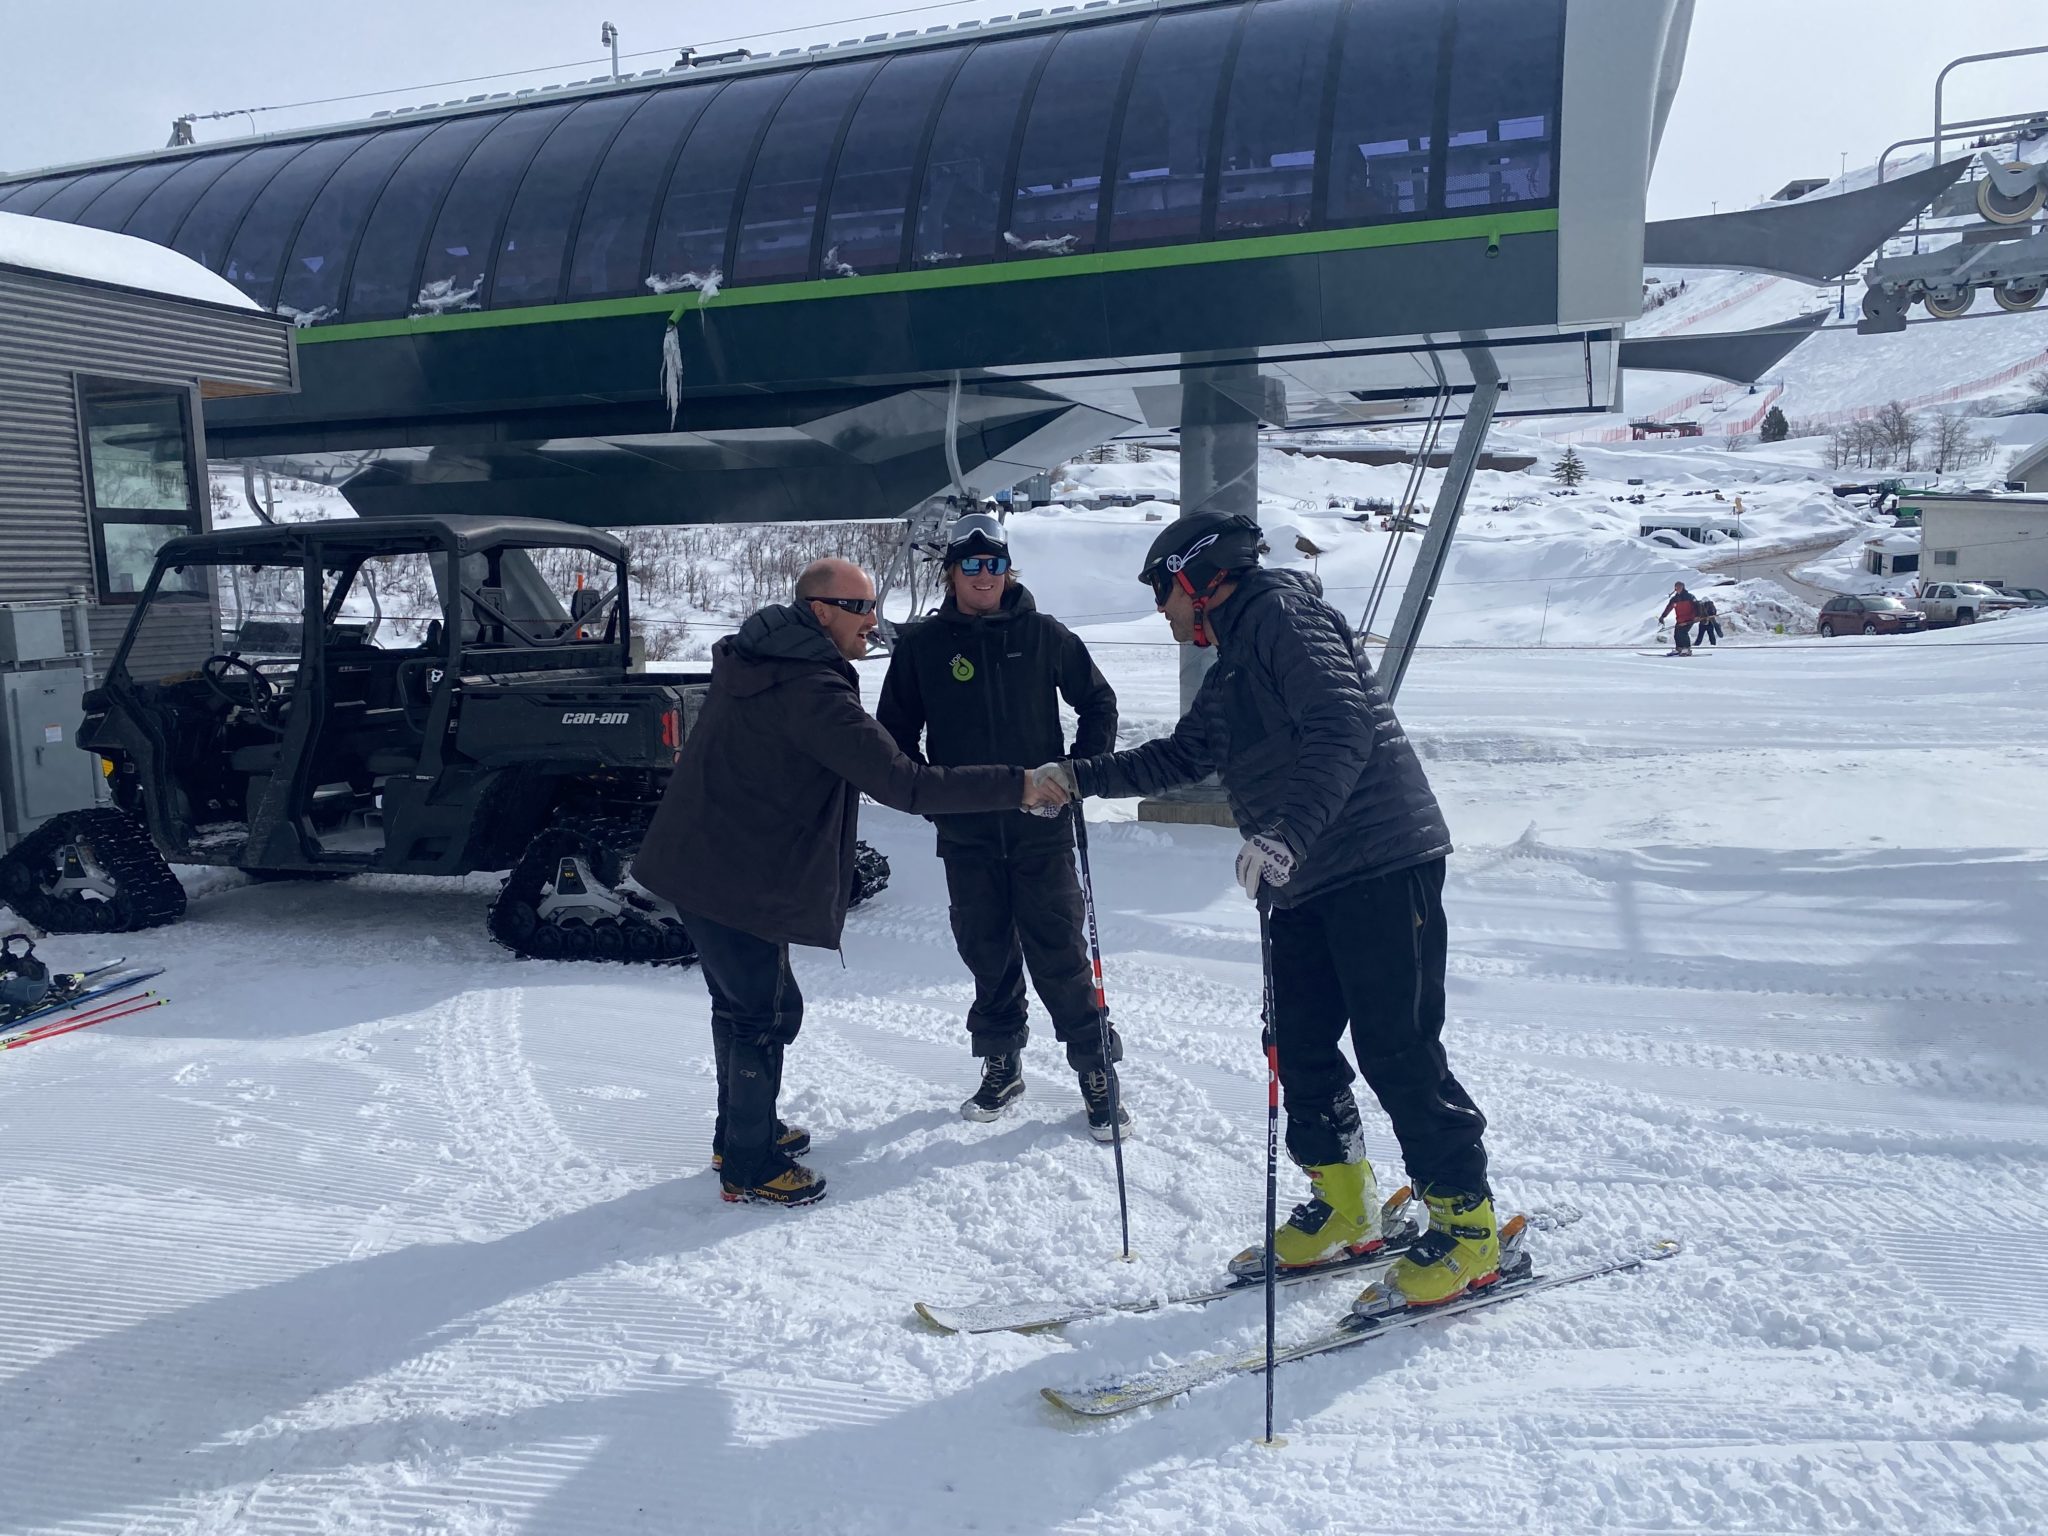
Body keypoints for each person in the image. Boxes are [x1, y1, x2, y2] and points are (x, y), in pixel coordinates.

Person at [1034, 512, 1501, 1310]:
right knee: (1295, 1040)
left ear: (1196, 577)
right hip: (1307, 877)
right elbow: (1184, 756)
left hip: (1380, 862)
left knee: (1397, 1048)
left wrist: (1286, 833)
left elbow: (1343, 724)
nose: (1163, 615)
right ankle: (1347, 1202)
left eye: (1162, 592)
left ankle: (1467, 1227)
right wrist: (1079, 776)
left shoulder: (1284, 615)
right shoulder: (1240, 661)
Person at [634, 558, 1071, 1207]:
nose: (874, 620)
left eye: (875, 606)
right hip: (735, 875)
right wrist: (1020, 784)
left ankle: (740, 1133)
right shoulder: (808, 691)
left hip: (710, 863)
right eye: (860, 607)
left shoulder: (759, 660)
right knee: (765, 1012)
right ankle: (748, 1166)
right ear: (819, 612)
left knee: (746, 1004)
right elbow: (905, 782)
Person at [876, 512, 1130, 1140]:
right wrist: (932, 797)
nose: (983, 575)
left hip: (1040, 827)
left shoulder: (1044, 634)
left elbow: (1097, 701)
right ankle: (1002, 1063)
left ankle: (1097, 1072)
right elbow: (892, 736)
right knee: (985, 950)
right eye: (971, 564)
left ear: (1007, 571)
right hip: (966, 833)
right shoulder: (922, 647)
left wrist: (1079, 776)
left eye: (994, 564)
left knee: (1061, 955)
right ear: (951, 572)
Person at [1659, 581, 1699, 656]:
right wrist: (1663, 616)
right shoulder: (1675, 599)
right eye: (1676, 587)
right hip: (1680, 619)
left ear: (1683, 587)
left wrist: (1697, 616)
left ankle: (1687, 649)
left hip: (1689, 618)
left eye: (1679, 587)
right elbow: (1669, 608)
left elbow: (1696, 606)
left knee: (1683, 633)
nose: (1677, 588)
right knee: (1677, 634)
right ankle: (1679, 649)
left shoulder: (1689, 596)